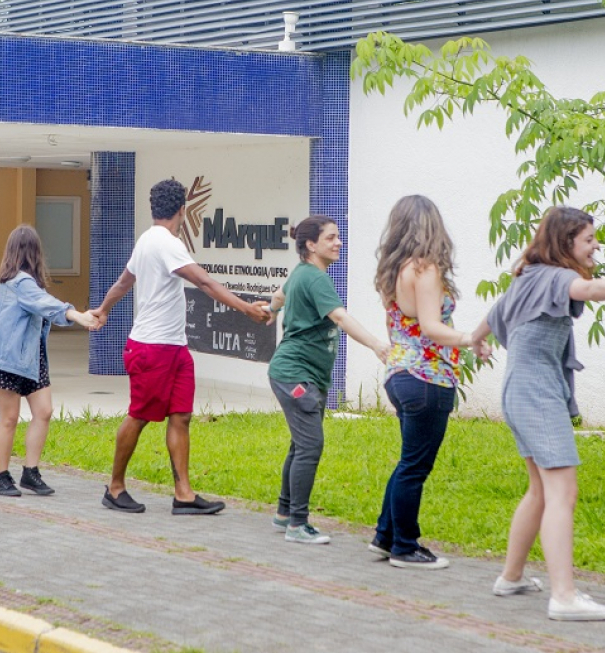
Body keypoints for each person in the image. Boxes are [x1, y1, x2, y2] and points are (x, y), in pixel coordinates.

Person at [471, 207, 605, 621]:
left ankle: (512, 577)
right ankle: (564, 596)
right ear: (565, 242)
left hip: (521, 391)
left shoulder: (528, 277)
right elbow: (585, 291)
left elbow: (495, 312)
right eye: (588, 239)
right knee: (561, 493)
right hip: (536, 394)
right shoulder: (555, 277)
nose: (596, 246)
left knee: (539, 490)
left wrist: (473, 339)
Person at [92, 178, 270, 515]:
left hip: (174, 347)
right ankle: (114, 488)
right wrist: (247, 309)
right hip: (151, 347)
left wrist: (103, 309)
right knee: (140, 416)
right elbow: (204, 281)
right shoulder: (165, 242)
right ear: (182, 210)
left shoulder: (148, 240)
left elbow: (122, 283)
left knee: (182, 416)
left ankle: (183, 494)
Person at [369, 196, 489, 567]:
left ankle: (385, 537)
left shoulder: (394, 270)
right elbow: (432, 327)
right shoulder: (426, 269)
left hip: (399, 373)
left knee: (408, 461)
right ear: (432, 227)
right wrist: (471, 338)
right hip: (427, 376)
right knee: (415, 467)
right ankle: (405, 547)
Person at [264, 215, 389, 544]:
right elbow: (340, 316)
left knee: (300, 444)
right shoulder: (315, 278)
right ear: (311, 245)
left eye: (338, 237)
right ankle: (297, 525)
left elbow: (279, 294)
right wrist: (377, 345)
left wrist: (272, 311)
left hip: (299, 373)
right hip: (295, 374)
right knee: (310, 445)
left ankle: (283, 514)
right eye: (331, 238)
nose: (338, 242)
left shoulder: (303, 274)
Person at [0, 225, 98, 496]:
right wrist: (75, 315)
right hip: (7, 359)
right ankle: (2, 477)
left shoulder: (12, 283)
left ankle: (30, 473)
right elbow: (44, 303)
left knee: (43, 412)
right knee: (9, 419)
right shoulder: (19, 282)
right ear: (35, 252)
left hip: (31, 358)